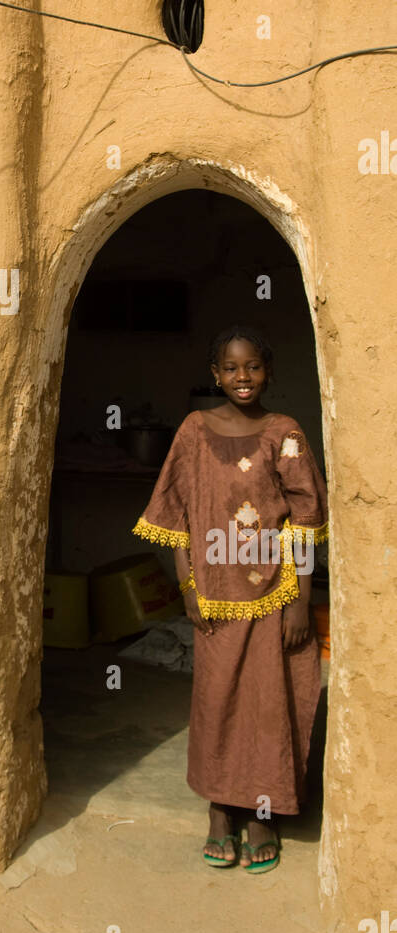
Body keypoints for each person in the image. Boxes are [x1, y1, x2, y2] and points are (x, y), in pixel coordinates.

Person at [131, 325, 328, 872]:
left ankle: (264, 812)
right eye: (231, 368)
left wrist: (300, 597)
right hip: (215, 595)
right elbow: (177, 514)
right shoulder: (194, 431)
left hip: (276, 591)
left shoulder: (284, 432)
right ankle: (221, 810)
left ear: (269, 372)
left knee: (272, 702)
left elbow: (306, 517)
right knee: (217, 700)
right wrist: (188, 589)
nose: (243, 378)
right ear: (214, 374)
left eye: (254, 367)